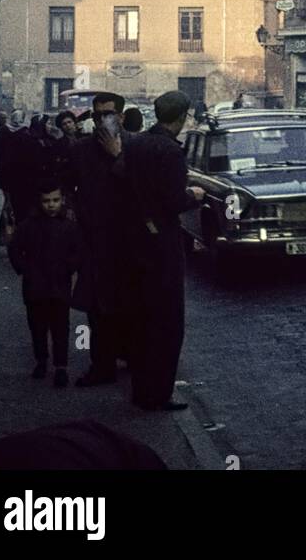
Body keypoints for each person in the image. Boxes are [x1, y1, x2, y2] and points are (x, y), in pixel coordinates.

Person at [124, 91, 204, 411]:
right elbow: (173, 200)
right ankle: (158, 394)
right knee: (168, 322)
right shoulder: (170, 151)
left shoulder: (138, 144)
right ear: (181, 117)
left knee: (143, 318)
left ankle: (142, 390)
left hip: (137, 238)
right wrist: (194, 194)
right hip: (162, 242)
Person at [70, 93, 135, 387]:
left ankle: (129, 355)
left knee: (129, 305)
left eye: (107, 115)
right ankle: (102, 365)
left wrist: (117, 155)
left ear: (120, 117)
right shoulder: (82, 149)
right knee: (97, 309)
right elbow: (68, 184)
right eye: (96, 116)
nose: (101, 121)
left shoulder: (135, 146)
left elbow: (141, 189)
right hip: (95, 240)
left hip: (127, 242)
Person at [7, 181, 81, 386]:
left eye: (55, 200)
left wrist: (69, 266)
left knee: (58, 328)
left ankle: (58, 365)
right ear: (40, 202)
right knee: (39, 327)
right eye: (47, 201)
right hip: (41, 284)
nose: (51, 205)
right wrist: (25, 268)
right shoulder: (30, 226)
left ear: (62, 200)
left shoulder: (67, 226)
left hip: (52, 284)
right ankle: (45, 361)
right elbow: (14, 249)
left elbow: (77, 251)